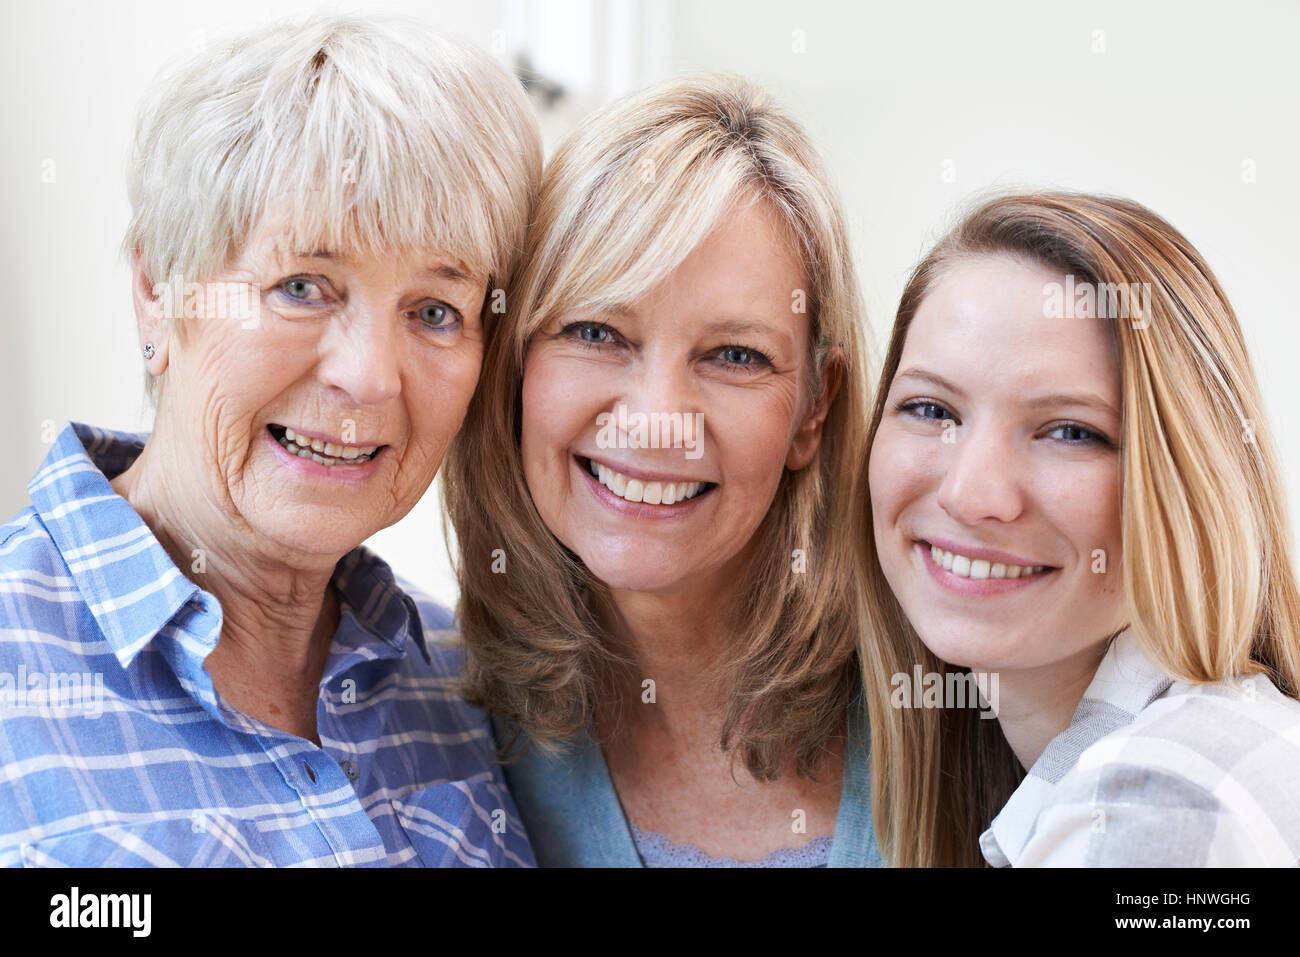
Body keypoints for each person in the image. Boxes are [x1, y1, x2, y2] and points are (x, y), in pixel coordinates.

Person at [0, 13, 542, 867]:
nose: (369, 377)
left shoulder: (473, 686)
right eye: (303, 286)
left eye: (435, 312)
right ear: (157, 292)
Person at [443, 74, 880, 866]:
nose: (656, 419)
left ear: (816, 406)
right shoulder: (438, 724)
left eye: (735, 355)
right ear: (516, 367)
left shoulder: (961, 707)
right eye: (598, 332)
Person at [860, 191, 1300, 866]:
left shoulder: (1155, 806)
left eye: (1069, 431)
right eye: (930, 407)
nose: (970, 493)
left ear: (1188, 482)